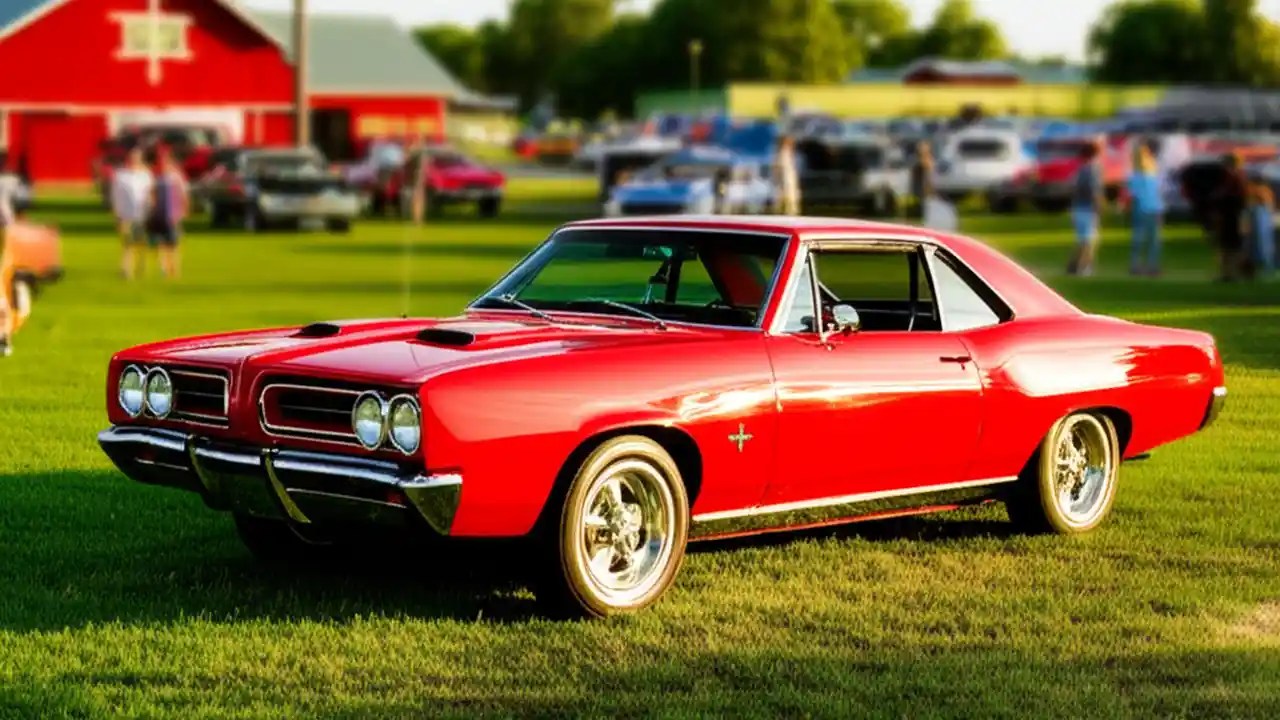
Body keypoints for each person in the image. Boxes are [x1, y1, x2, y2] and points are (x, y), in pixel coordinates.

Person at [112, 148, 154, 280]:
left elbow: (150, 193)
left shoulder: (146, 175)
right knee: (127, 242)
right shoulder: (121, 175)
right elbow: (115, 195)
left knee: (141, 241)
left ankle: (141, 264)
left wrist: (151, 210)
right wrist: (117, 213)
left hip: (142, 213)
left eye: (137, 157)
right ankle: (126, 268)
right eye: (132, 157)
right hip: (125, 214)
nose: (134, 160)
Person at [148, 151, 188, 279]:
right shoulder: (159, 179)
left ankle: (175, 268)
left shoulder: (177, 178)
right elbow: (152, 195)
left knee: (174, 244)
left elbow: (184, 196)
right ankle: (164, 267)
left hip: (173, 215)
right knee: (161, 243)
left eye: (166, 163)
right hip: (160, 215)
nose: (164, 165)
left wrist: (183, 212)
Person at [1067, 139, 1105, 276]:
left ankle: (1073, 266)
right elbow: (1094, 190)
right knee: (1089, 241)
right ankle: (1084, 267)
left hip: (1078, 208)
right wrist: (1099, 206)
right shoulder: (1093, 168)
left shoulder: (1081, 169)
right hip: (1088, 208)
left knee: (1082, 240)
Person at [1210, 153, 1249, 281]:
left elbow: (1225, 196)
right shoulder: (1237, 177)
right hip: (1231, 215)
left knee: (1230, 246)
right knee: (1230, 246)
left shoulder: (1233, 178)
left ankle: (1232, 273)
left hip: (1231, 216)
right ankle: (1229, 273)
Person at [1127, 142, 1164, 276]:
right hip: (1151, 208)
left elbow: (1133, 194)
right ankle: (1150, 266)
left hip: (1143, 208)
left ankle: (1138, 265)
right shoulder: (1150, 174)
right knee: (1152, 239)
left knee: (1140, 238)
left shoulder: (1135, 176)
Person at [1243, 175, 1275, 277]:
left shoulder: (1261, 191)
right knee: (1261, 243)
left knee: (1262, 243)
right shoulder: (1263, 191)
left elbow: (1267, 204)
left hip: (1260, 218)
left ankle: (1264, 266)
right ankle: (1262, 265)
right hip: (1261, 218)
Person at [772, 135, 800, 216]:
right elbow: (777, 167)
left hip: (789, 178)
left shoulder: (791, 154)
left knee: (791, 197)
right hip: (782, 179)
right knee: (781, 197)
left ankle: (791, 212)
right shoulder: (780, 154)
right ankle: (780, 212)